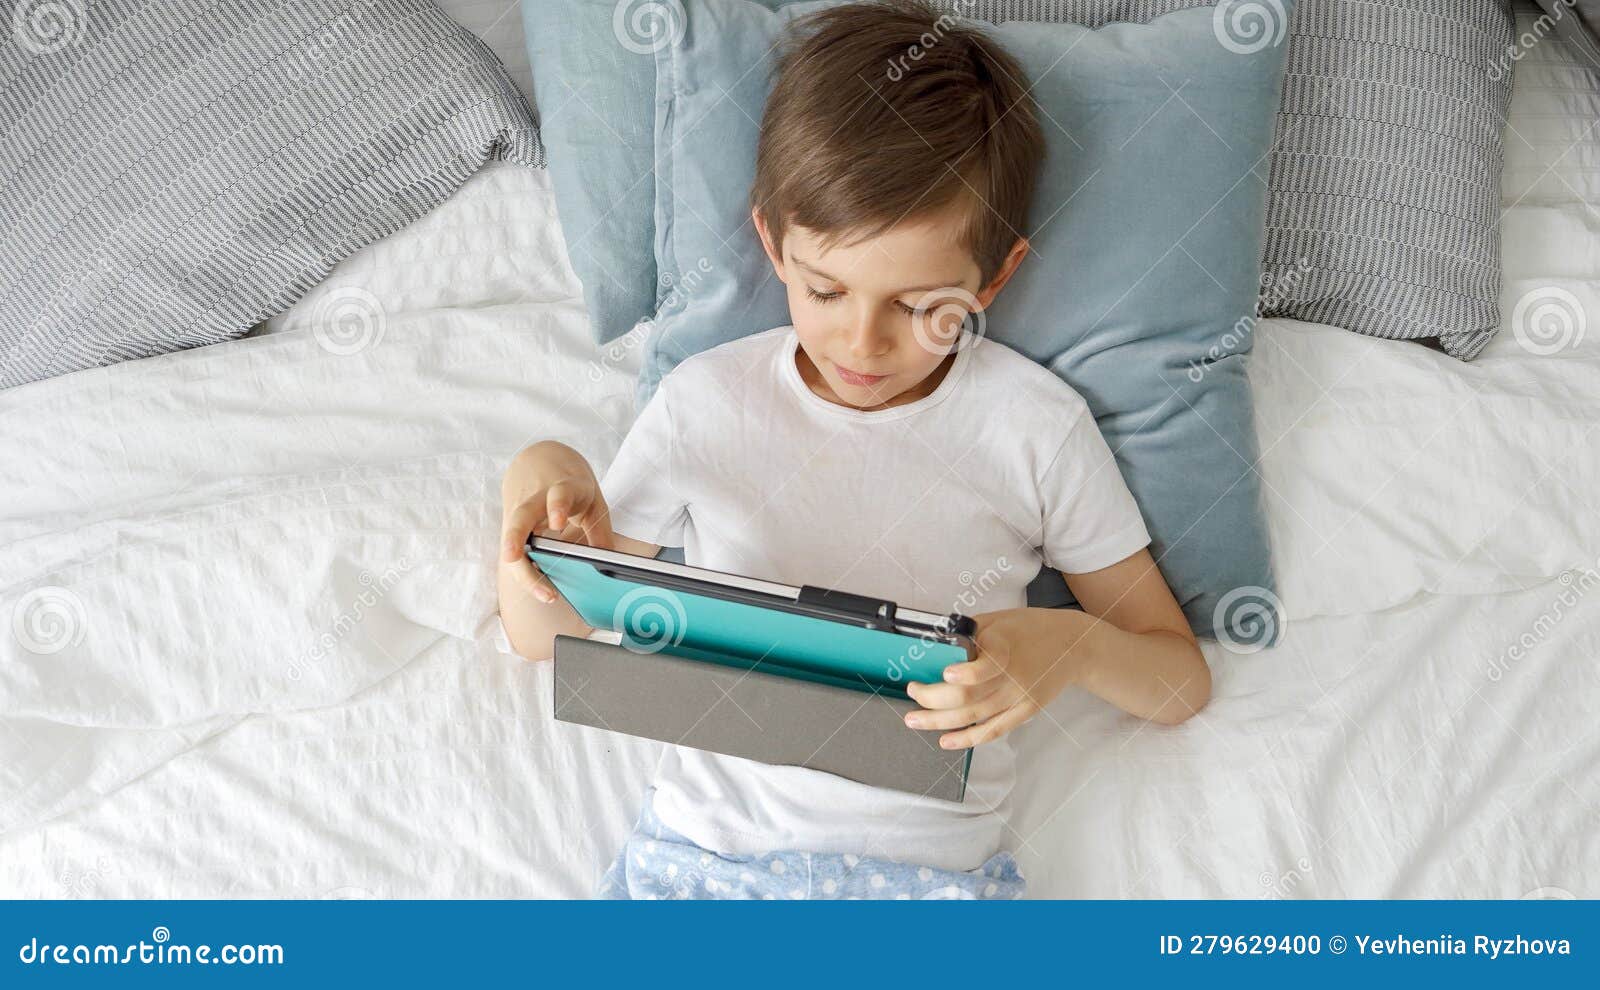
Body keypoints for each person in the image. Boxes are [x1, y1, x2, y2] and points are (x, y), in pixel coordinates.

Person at [496, 0, 1208, 899]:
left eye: (918, 307)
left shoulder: (1035, 429)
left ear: (996, 276)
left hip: (932, 889)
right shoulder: (706, 405)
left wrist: (1068, 648)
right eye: (825, 289)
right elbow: (543, 638)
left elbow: (1179, 681)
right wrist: (543, 473)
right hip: (706, 870)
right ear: (772, 244)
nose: (862, 344)